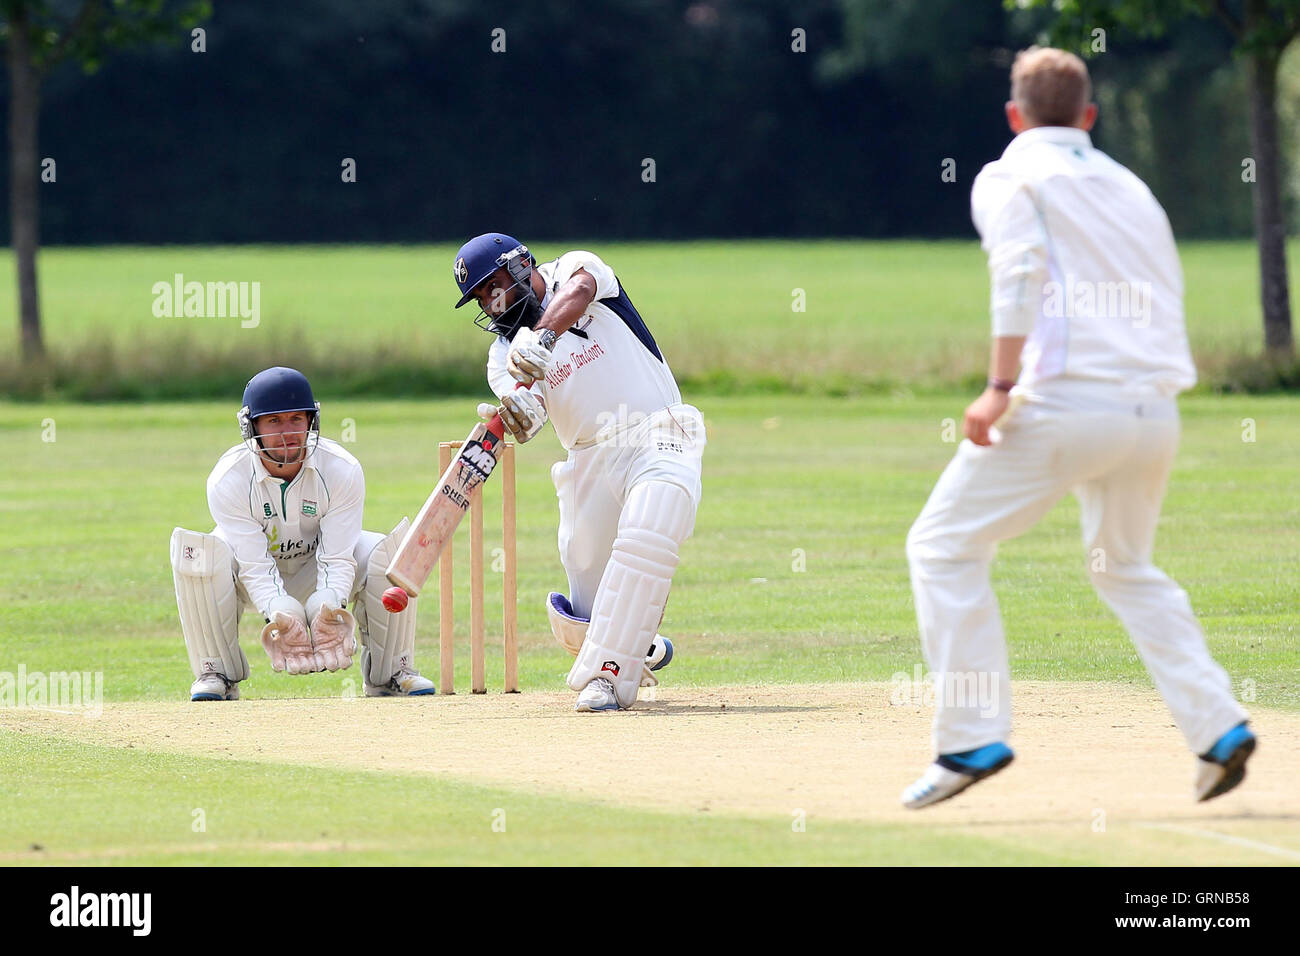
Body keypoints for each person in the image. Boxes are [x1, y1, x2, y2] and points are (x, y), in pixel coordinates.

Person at [901, 48, 1254, 808]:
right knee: (1124, 567)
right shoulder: (1132, 186)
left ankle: (969, 738)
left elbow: (1019, 269)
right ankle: (1220, 726)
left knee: (942, 546)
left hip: (1065, 404)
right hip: (1153, 410)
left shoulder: (1008, 173)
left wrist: (999, 386)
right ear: (1090, 116)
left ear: (1013, 116)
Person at [451, 233, 705, 711]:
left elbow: (582, 290)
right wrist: (521, 413)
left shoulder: (574, 267)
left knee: (651, 525)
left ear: (524, 264)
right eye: (481, 297)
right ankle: (638, 646)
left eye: (496, 284)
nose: (493, 300)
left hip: (655, 427)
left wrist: (542, 338)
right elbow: (530, 409)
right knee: (582, 618)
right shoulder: (501, 357)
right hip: (587, 458)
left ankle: (606, 679)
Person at [170, 366, 434, 700]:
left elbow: (338, 554)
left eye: (296, 419)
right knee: (200, 555)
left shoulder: (341, 468)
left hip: (320, 568)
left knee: (386, 551)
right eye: (274, 421)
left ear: (312, 421)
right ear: (251, 427)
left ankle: (393, 672)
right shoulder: (228, 479)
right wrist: (281, 610)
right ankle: (215, 673)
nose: (287, 433)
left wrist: (329, 605)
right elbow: (253, 564)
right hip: (250, 579)